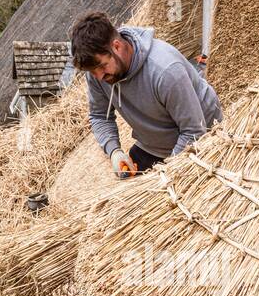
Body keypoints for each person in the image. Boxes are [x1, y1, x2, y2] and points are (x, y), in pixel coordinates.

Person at [71, 11, 223, 177]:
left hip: (204, 138)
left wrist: (168, 171)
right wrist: (114, 151)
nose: (99, 76)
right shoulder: (97, 72)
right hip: (154, 144)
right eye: (93, 71)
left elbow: (194, 131)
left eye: (102, 67)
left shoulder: (165, 71)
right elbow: (100, 116)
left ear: (117, 47)